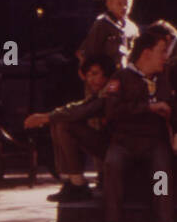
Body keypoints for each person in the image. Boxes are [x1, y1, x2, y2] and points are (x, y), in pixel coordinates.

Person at [102, 22, 177, 222]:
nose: (165, 58)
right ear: (147, 53)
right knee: (112, 165)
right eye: (162, 52)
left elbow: (175, 110)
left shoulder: (163, 79)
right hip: (124, 140)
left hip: (154, 141)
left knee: (162, 173)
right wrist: (148, 108)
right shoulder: (121, 77)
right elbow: (112, 111)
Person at [24, 56, 116, 203]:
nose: (91, 79)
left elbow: (85, 110)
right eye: (88, 75)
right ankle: (71, 181)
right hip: (110, 145)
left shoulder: (112, 90)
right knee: (59, 121)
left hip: (120, 148)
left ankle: (78, 184)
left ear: (107, 74)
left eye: (95, 74)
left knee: (64, 124)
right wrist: (49, 116)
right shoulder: (99, 92)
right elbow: (80, 106)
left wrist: (46, 117)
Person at [76, 0, 139, 70]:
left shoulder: (132, 28)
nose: (124, 7)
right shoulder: (102, 24)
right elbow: (89, 53)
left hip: (125, 73)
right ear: (109, 4)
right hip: (105, 73)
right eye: (119, 4)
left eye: (126, 4)